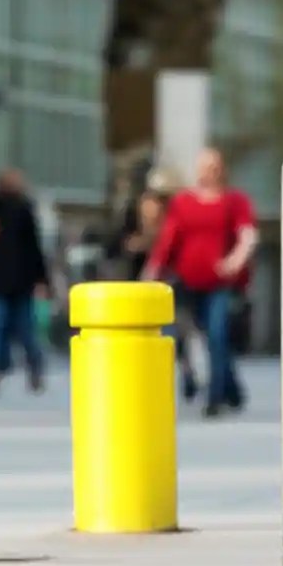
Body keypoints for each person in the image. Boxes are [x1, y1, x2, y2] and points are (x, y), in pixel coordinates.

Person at [144, 148, 258, 418]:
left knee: (217, 336)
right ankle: (232, 390)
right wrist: (151, 274)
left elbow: (248, 235)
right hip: (187, 283)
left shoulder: (234, 201)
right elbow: (169, 240)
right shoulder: (183, 202)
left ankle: (215, 398)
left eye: (214, 166)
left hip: (220, 284)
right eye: (205, 166)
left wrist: (235, 261)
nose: (209, 172)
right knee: (189, 338)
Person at [110, 191, 199, 402]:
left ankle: (185, 375)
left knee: (174, 337)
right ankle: (147, 378)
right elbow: (115, 251)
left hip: (168, 291)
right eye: (146, 206)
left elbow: (176, 256)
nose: (150, 211)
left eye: (153, 206)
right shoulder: (130, 227)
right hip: (137, 294)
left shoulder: (170, 227)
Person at [0, 169, 49, 397]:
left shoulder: (20, 210)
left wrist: (41, 279)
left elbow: (33, 248)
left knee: (13, 331)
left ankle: (23, 370)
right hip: (5, 282)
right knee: (6, 331)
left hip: (11, 282)